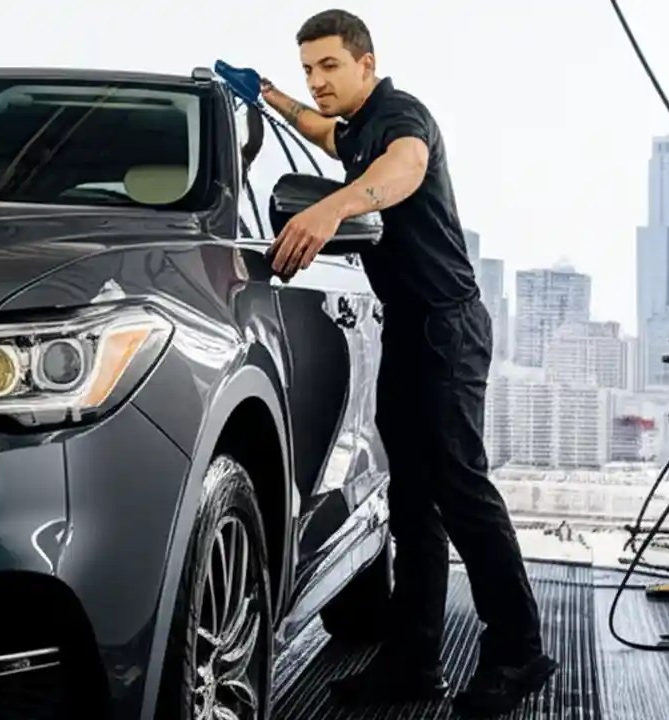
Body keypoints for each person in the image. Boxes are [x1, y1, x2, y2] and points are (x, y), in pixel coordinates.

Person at [260, 9, 558, 717]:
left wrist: (331, 210)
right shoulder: (355, 128)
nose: (318, 81)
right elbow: (321, 129)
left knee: (461, 490)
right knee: (412, 503)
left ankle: (519, 651)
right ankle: (413, 661)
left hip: (447, 329)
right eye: (309, 69)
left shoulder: (400, 117)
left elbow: (406, 168)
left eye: (329, 66)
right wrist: (270, 96)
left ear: (366, 63)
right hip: (407, 331)